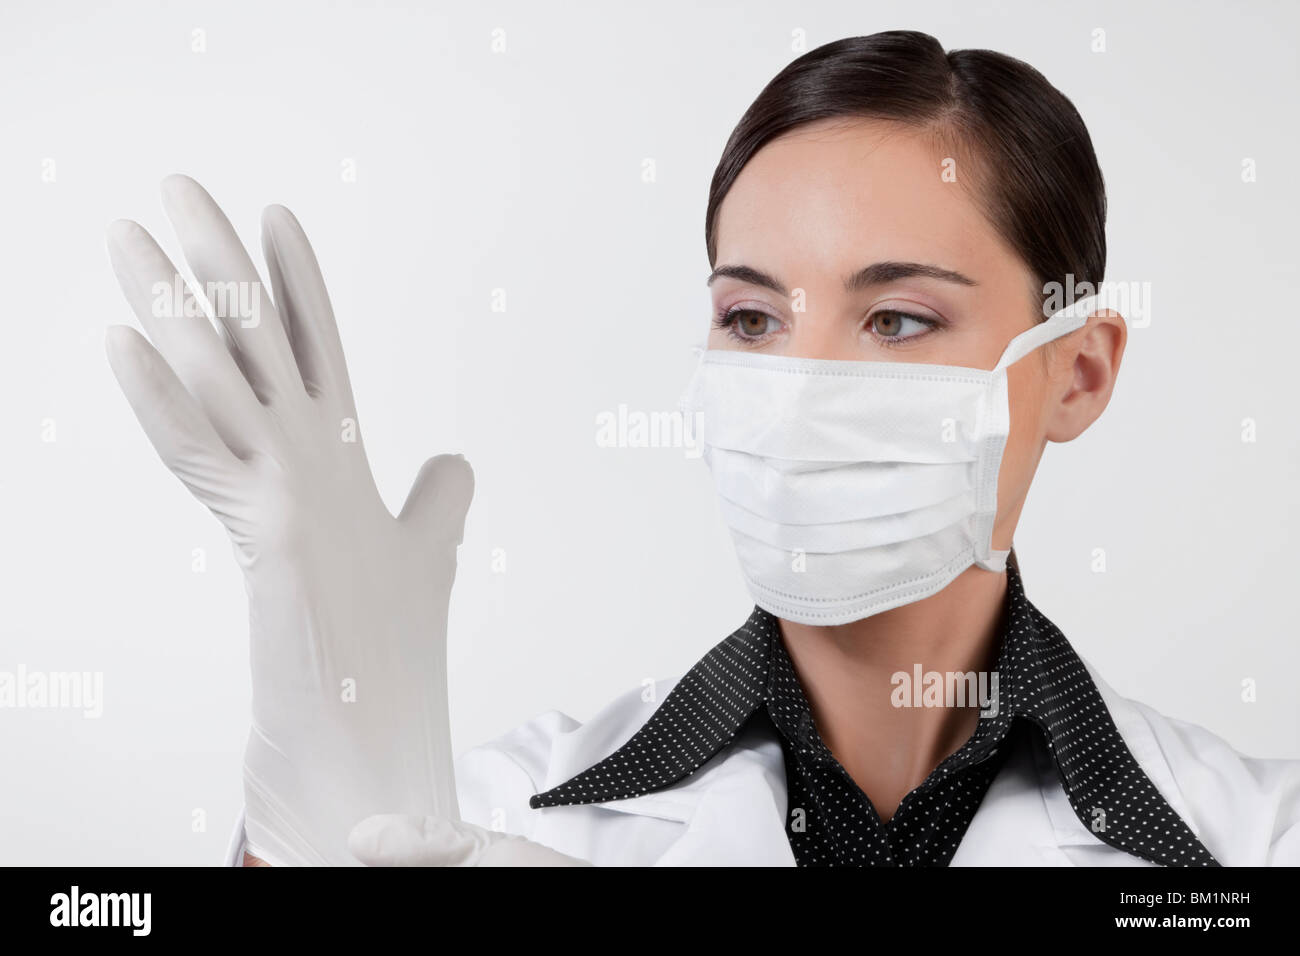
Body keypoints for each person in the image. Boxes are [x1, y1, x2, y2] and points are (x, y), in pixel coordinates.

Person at [105, 31, 1299, 867]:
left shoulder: (1252, 840)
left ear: (1076, 371)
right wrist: (306, 848)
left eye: (897, 317)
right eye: (750, 318)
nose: (797, 386)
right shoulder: (484, 814)